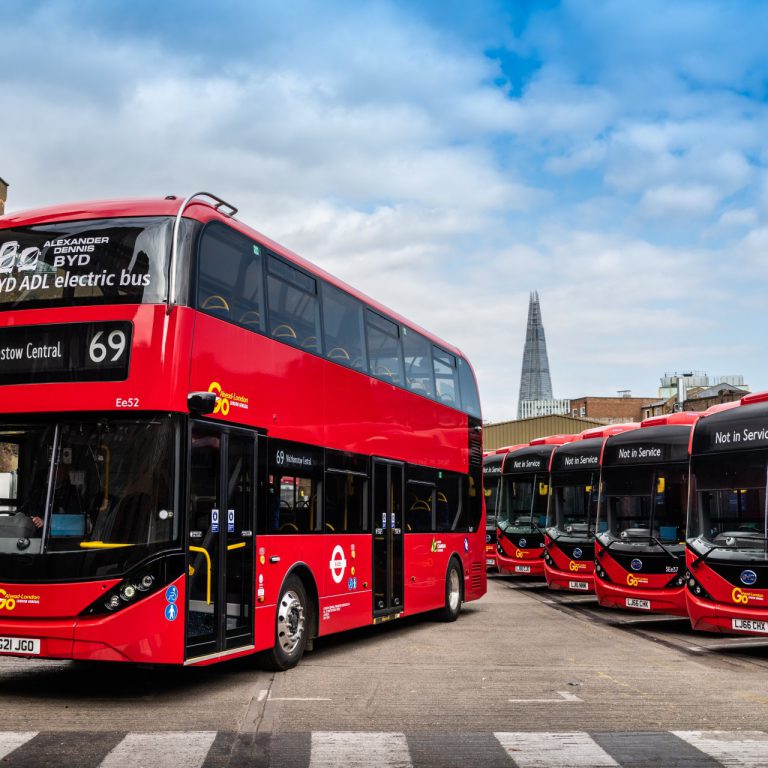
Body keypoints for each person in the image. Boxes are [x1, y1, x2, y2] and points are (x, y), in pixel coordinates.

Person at [31, 464, 82, 530]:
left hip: (57, 536)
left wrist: (47, 523)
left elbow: (74, 520)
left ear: (64, 475)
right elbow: (31, 508)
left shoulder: (71, 493)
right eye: (50, 471)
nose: (50, 474)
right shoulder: (41, 491)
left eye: (56, 471)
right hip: (34, 533)